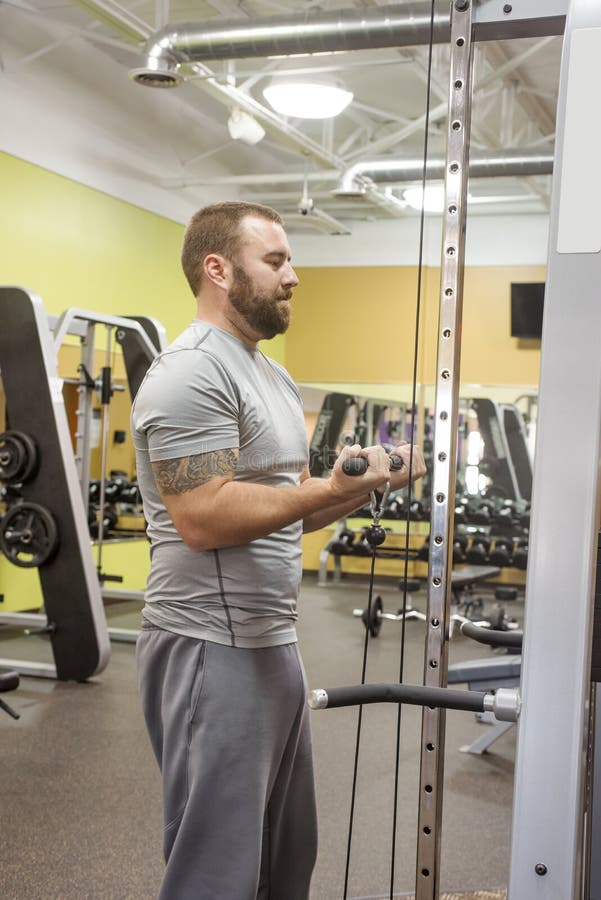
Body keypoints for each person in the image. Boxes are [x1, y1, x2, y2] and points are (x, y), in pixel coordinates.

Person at [131, 200, 426, 900]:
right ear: (217, 269)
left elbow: (286, 511)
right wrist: (322, 486)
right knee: (218, 866)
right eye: (275, 261)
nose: (292, 276)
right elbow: (203, 516)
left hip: (271, 641)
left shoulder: (270, 374)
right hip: (207, 643)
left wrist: (359, 485)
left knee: (284, 859)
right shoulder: (189, 372)